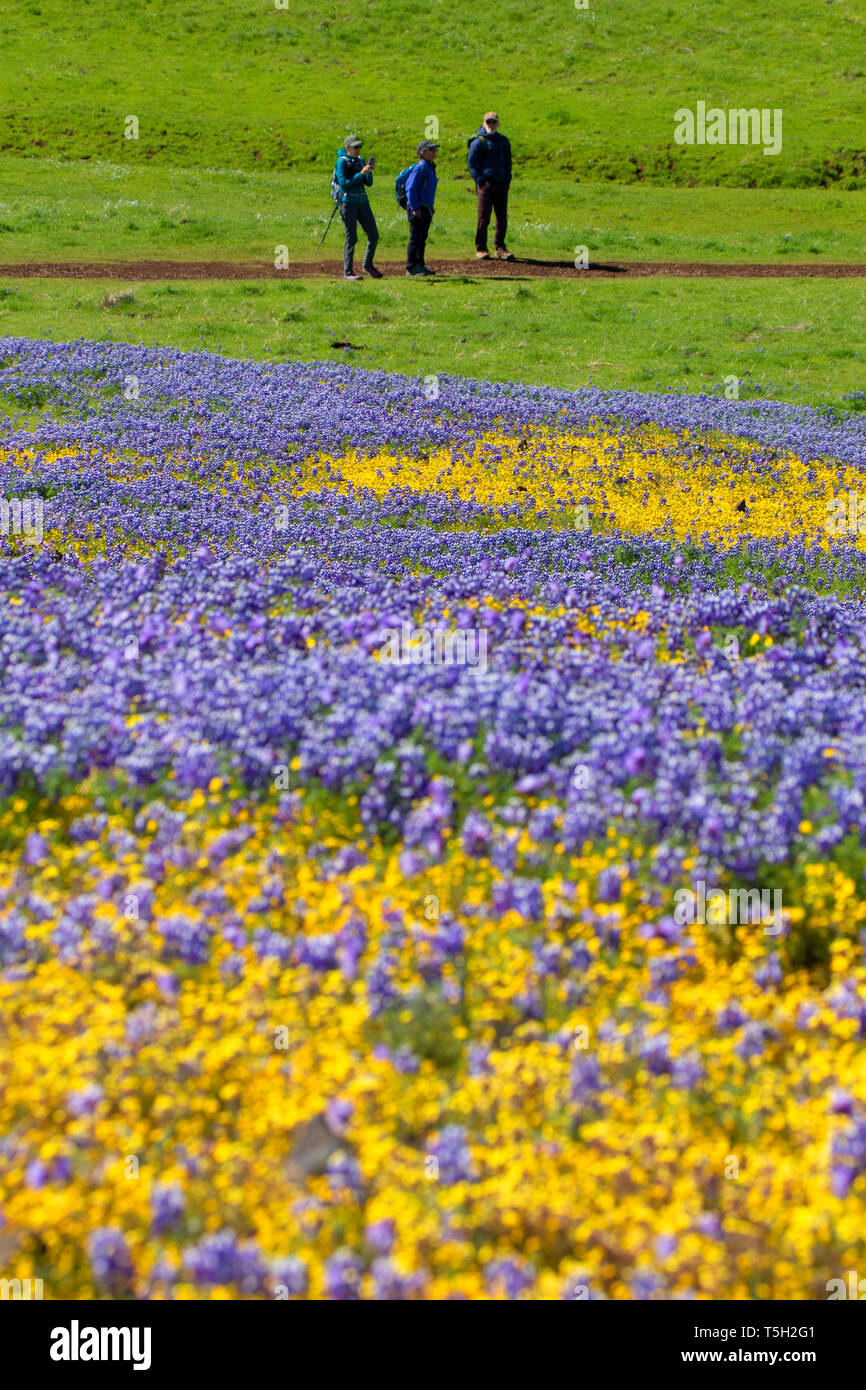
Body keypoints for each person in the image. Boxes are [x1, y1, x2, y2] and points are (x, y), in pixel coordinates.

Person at [334, 136, 382, 281]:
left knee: (374, 234)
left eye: (359, 147)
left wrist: (368, 172)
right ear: (347, 148)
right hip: (347, 202)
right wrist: (360, 174)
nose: (358, 150)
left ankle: (367, 265)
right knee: (352, 237)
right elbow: (345, 184)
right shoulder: (341, 162)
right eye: (355, 147)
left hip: (362, 201)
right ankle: (348, 272)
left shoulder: (360, 161)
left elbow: (369, 183)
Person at [467, 112, 513, 261]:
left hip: (501, 184)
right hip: (486, 185)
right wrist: (480, 181)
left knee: (502, 218)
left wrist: (507, 179)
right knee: (483, 218)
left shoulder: (504, 141)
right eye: (489, 122)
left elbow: (508, 162)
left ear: (498, 123)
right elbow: (472, 164)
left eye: (494, 122)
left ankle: (500, 248)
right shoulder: (478, 142)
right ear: (484, 123)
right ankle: (481, 248)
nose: (491, 125)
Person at [405, 141, 439, 277]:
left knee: (422, 237)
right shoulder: (420, 168)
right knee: (415, 237)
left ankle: (420, 264)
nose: (434, 152)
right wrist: (415, 207)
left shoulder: (430, 167)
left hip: (426, 208)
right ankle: (411, 267)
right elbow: (411, 188)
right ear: (422, 152)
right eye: (431, 149)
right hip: (418, 208)